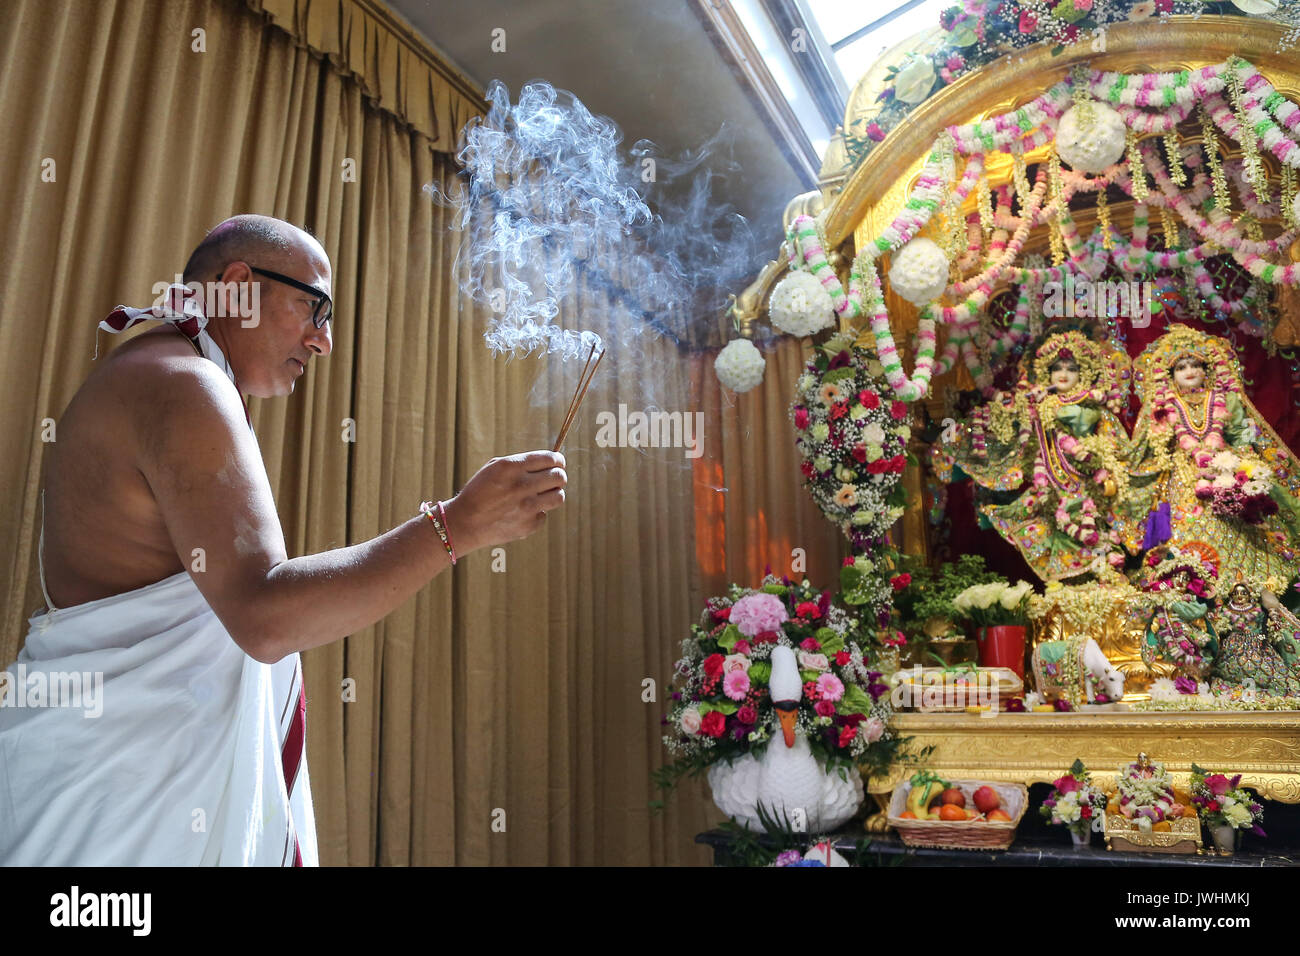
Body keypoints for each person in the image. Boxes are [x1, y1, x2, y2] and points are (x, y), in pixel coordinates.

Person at [0, 214, 568, 865]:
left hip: (109, 786)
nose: (322, 341)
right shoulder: (184, 384)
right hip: (113, 803)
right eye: (313, 308)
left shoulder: (167, 372)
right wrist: (456, 526)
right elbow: (264, 615)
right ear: (239, 284)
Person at [932, 326, 1134, 582]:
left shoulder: (1096, 408)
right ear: (1047, 373)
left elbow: (1116, 448)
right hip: (1050, 486)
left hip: (1090, 485)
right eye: (1057, 368)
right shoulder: (1034, 408)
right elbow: (1004, 430)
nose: (1063, 374)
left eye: (1071, 368)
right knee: (1058, 543)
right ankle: (1068, 596)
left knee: (1099, 545)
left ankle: (1100, 588)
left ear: (1083, 373)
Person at [1127, 324, 1300, 594]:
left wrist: (1244, 464)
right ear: (1171, 374)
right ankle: (1190, 587)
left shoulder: (1224, 399)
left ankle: (1241, 588)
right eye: (1181, 366)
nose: (1190, 371)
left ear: (1207, 369)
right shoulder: (1164, 404)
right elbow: (1152, 444)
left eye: (1195, 364)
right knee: (1187, 528)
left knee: (1236, 528)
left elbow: (1243, 434)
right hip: (1183, 477)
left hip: (1224, 470)